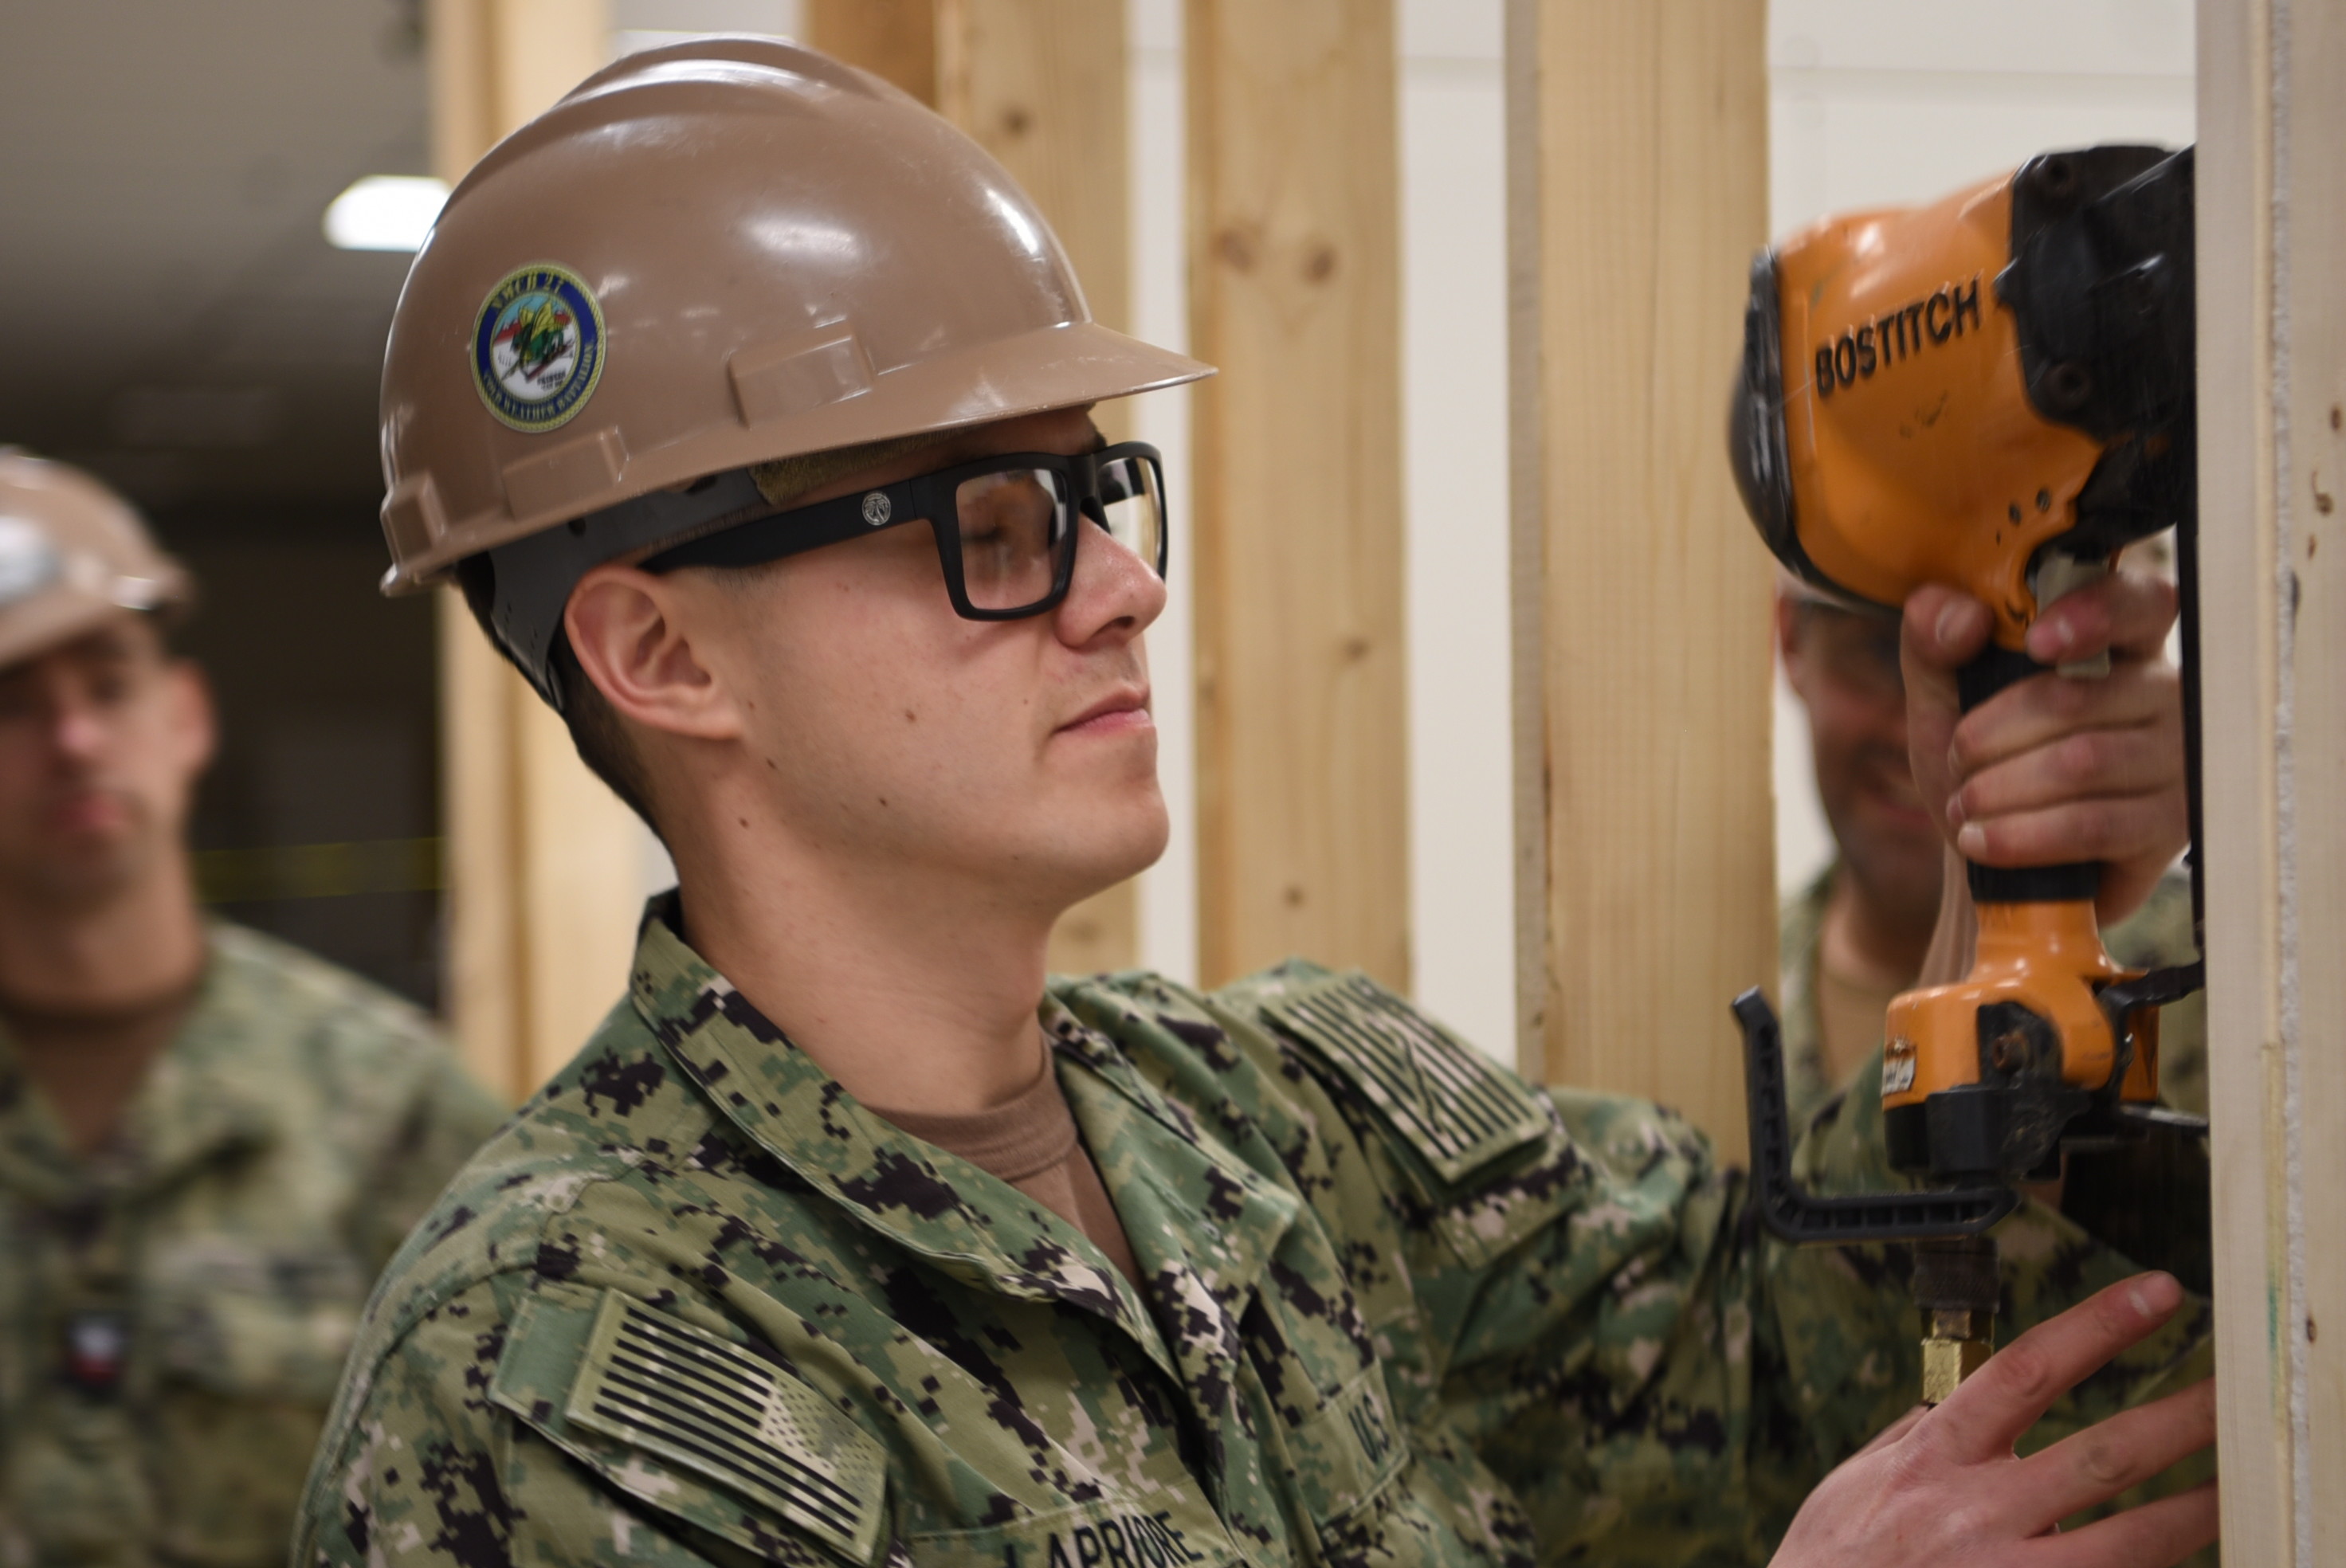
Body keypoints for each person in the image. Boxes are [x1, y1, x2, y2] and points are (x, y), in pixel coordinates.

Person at [294, 40, 2218, 1568]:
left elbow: (1816, 1384)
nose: (1118, 588)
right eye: (988, 528)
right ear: (660, 657)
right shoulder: (557, 1376)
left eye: (1098, 497)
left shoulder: (1281, 1121)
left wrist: (2025, 904)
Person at [0, 453, 508, 1567]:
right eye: (14, 704)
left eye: (109, 685)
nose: (75, 739)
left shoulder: (389, 1106)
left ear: (185, 717)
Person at [1773, 582, 2207, 1131]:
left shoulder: (2229, 980)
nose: (1925, 733)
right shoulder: (1711, 1008)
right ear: (1790, 638)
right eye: (1880, 652)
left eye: (2020, 670)